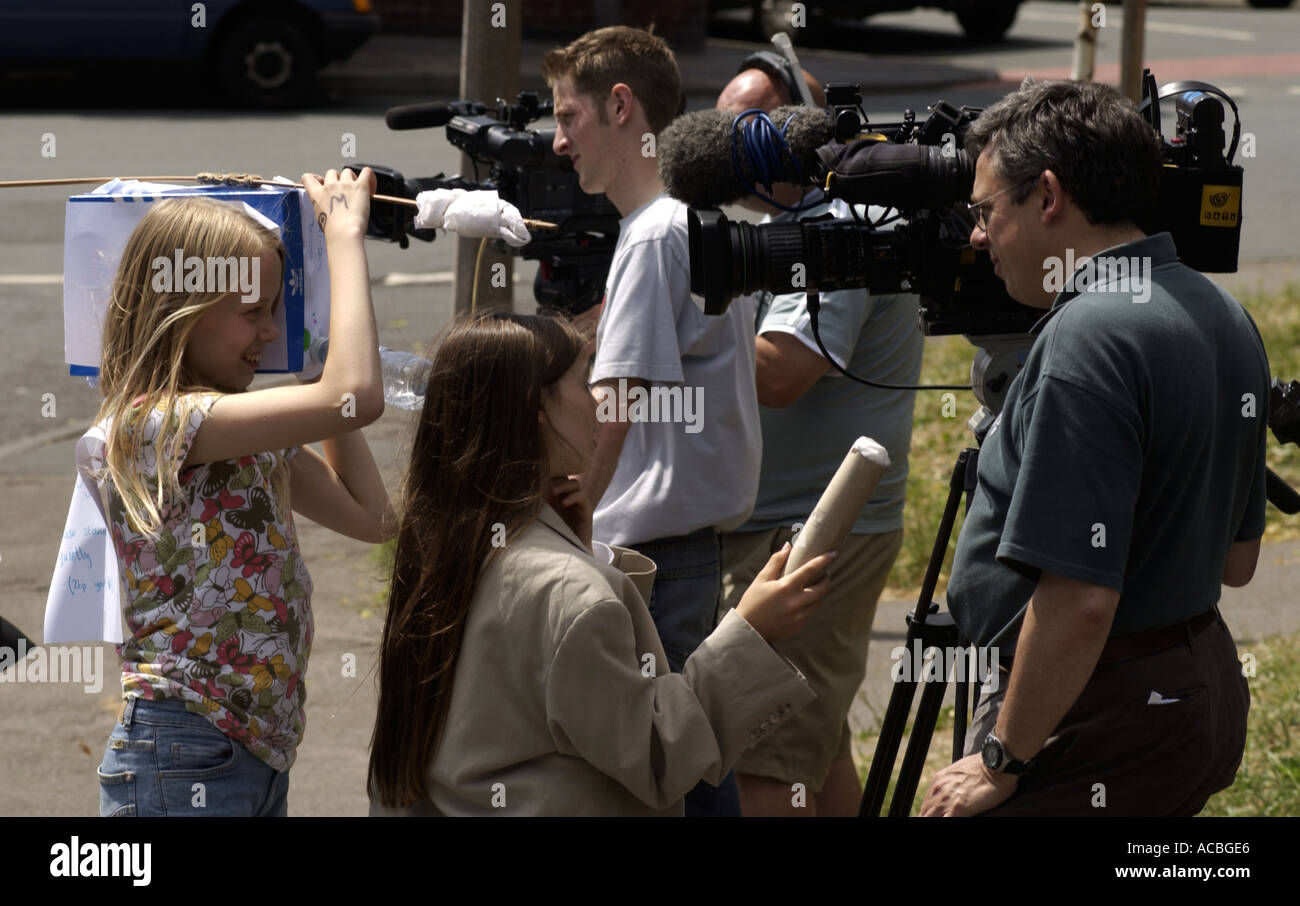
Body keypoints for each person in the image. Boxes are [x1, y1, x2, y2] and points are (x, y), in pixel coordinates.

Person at [920, 79, 1268, 817]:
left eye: (986, 212)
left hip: (1097, 717)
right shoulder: (1224, 313)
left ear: (1047, 196)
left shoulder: (1089, 336)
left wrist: (1001, 760)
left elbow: (1079, 601)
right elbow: (1236, 563)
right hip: (1190, 691)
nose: (977, 236)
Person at [366, 312, 834, 816]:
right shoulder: (570, 593)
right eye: (584, 383)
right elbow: (658, 754)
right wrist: (750, 634)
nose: (600, 402)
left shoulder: (445, 544)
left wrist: (579, 552)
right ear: (534, 409)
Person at [93, 169, 395, 817]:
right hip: (185, 749)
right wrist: (344, 238)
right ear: (182, 310)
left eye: (277, 312)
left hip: (251, 754)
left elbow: (373, 518)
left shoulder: (239, 428)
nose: (268, 331)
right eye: (252, 312)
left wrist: (318, 355)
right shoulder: (157, 422)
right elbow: (358, 399)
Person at [544, 25, 762, 815]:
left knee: (665, 765)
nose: (559, 140)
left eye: (568, 117)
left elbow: (618, 395)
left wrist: (575, 509)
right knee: (691, 751)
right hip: (683, 551)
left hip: (655, 559)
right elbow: (617, 349)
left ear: (621, 107)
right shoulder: (678, 220)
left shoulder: (654, 235)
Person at [714, 64, 923, 817]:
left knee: (762, 765)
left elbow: (782, 374)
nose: (727, 150)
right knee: (811, 743)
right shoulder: (791, 226)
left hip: (818, 527)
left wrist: (675, 315)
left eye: (750, 130)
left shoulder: (842, 228)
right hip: (791, 523)